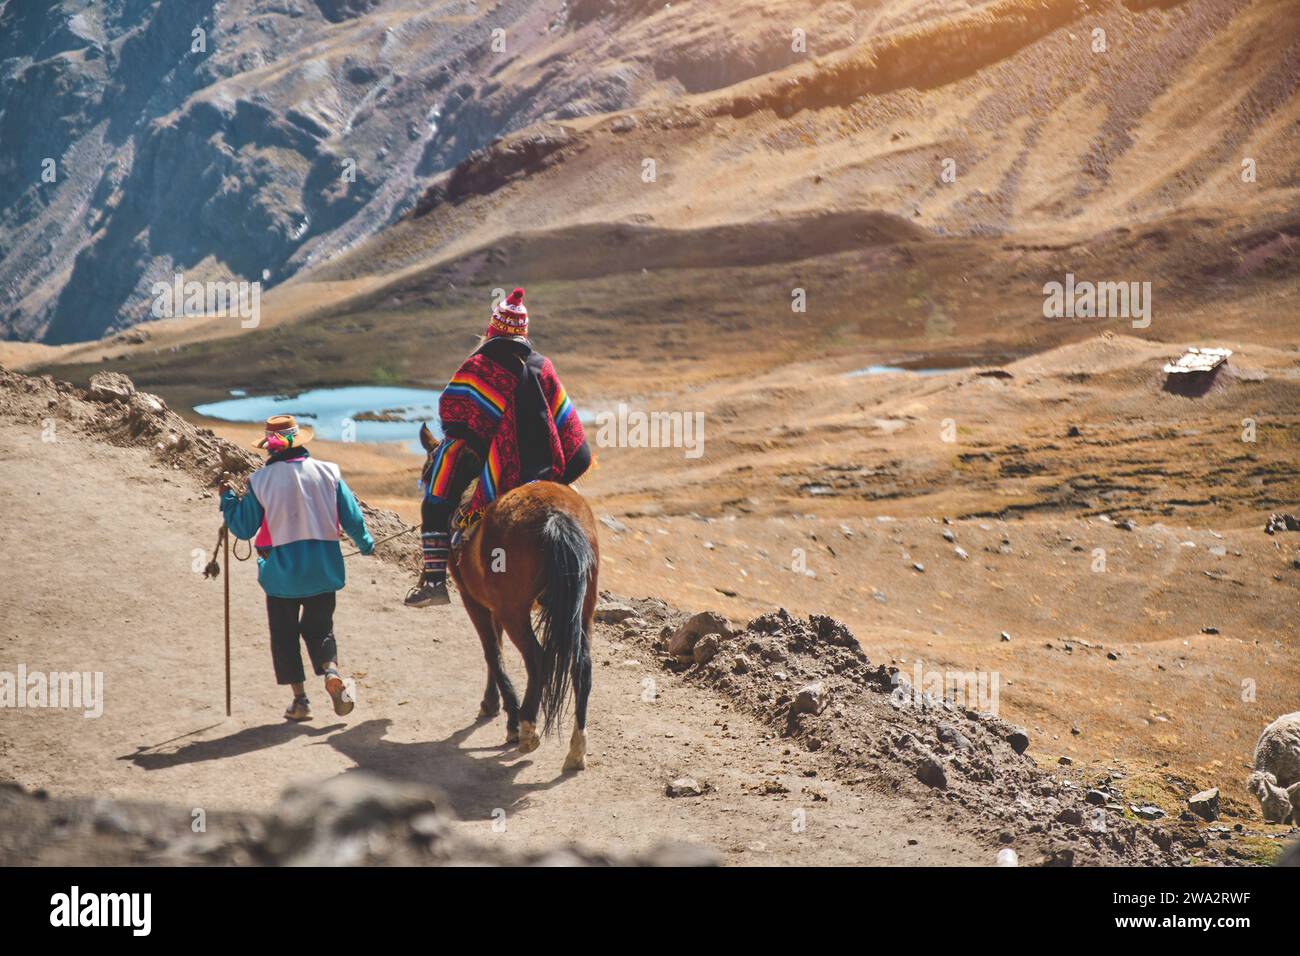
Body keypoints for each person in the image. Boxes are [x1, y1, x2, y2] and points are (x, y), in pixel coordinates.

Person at [406, 287, 591, 607]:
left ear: (493, 328)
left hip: (498, 468)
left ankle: (435, 580)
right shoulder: (543, 366)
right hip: (545, 469)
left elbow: (452, 415)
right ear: (524, 332)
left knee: (435, 500)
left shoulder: (478, 364)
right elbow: (566, 423)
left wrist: (480, 437)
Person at [220, 414, 374, 720]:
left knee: (285, 634)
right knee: (321, 629)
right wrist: (366, 544)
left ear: (270, 448)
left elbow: (243, 528)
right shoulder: (329, 473)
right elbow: (353, 519)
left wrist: (227, 499)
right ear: (299, 443)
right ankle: (331, 673)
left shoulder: (261, 481)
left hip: (281, 575)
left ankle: (301, 701)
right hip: (323, 569)